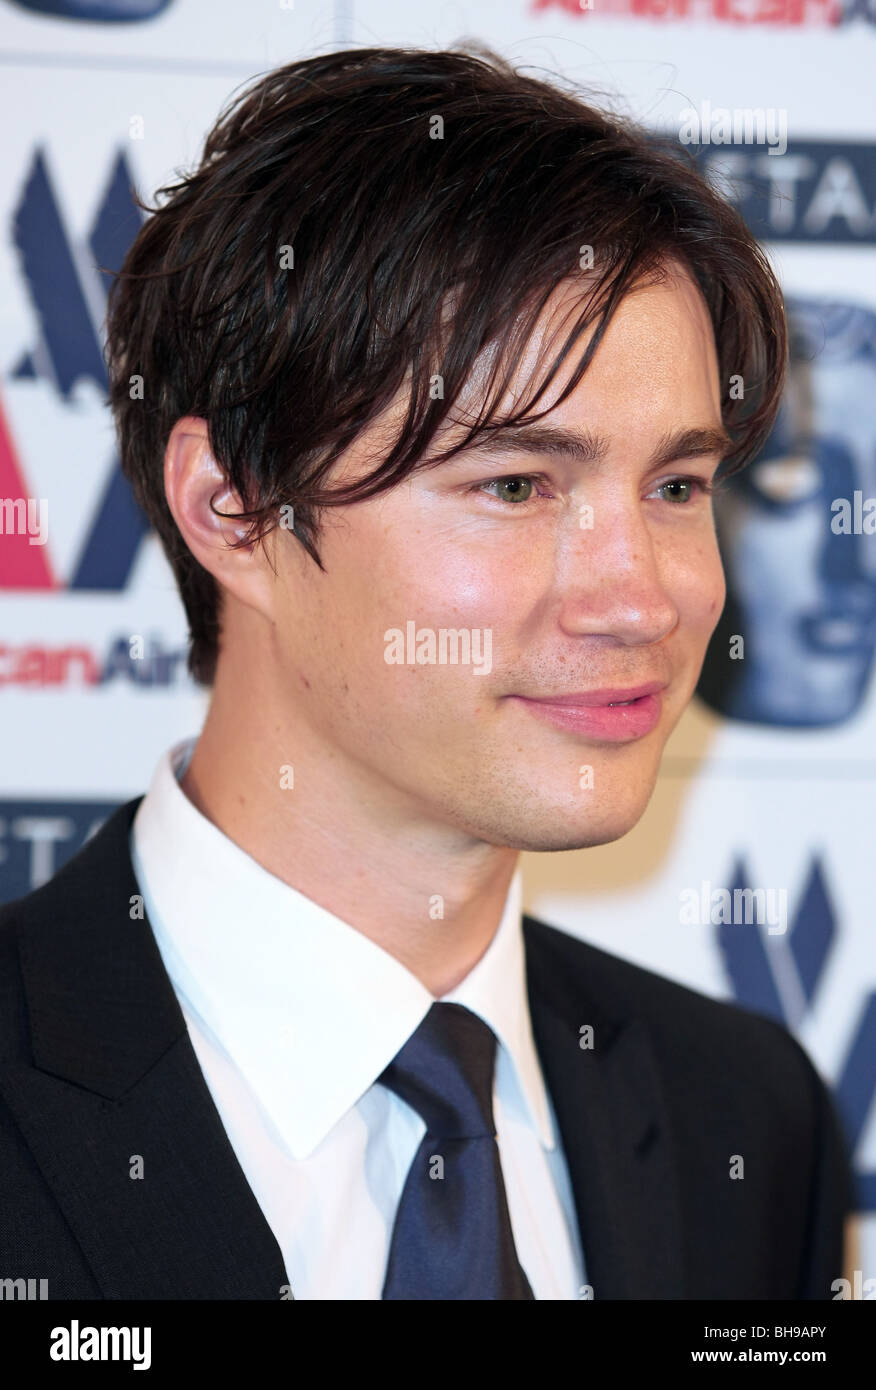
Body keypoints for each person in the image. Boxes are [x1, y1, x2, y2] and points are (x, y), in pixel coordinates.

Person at [0, 45, 855, 1300]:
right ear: (232, 510)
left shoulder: (745, 1112)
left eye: (677, 485)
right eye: (515, 485)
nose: (643, 596)